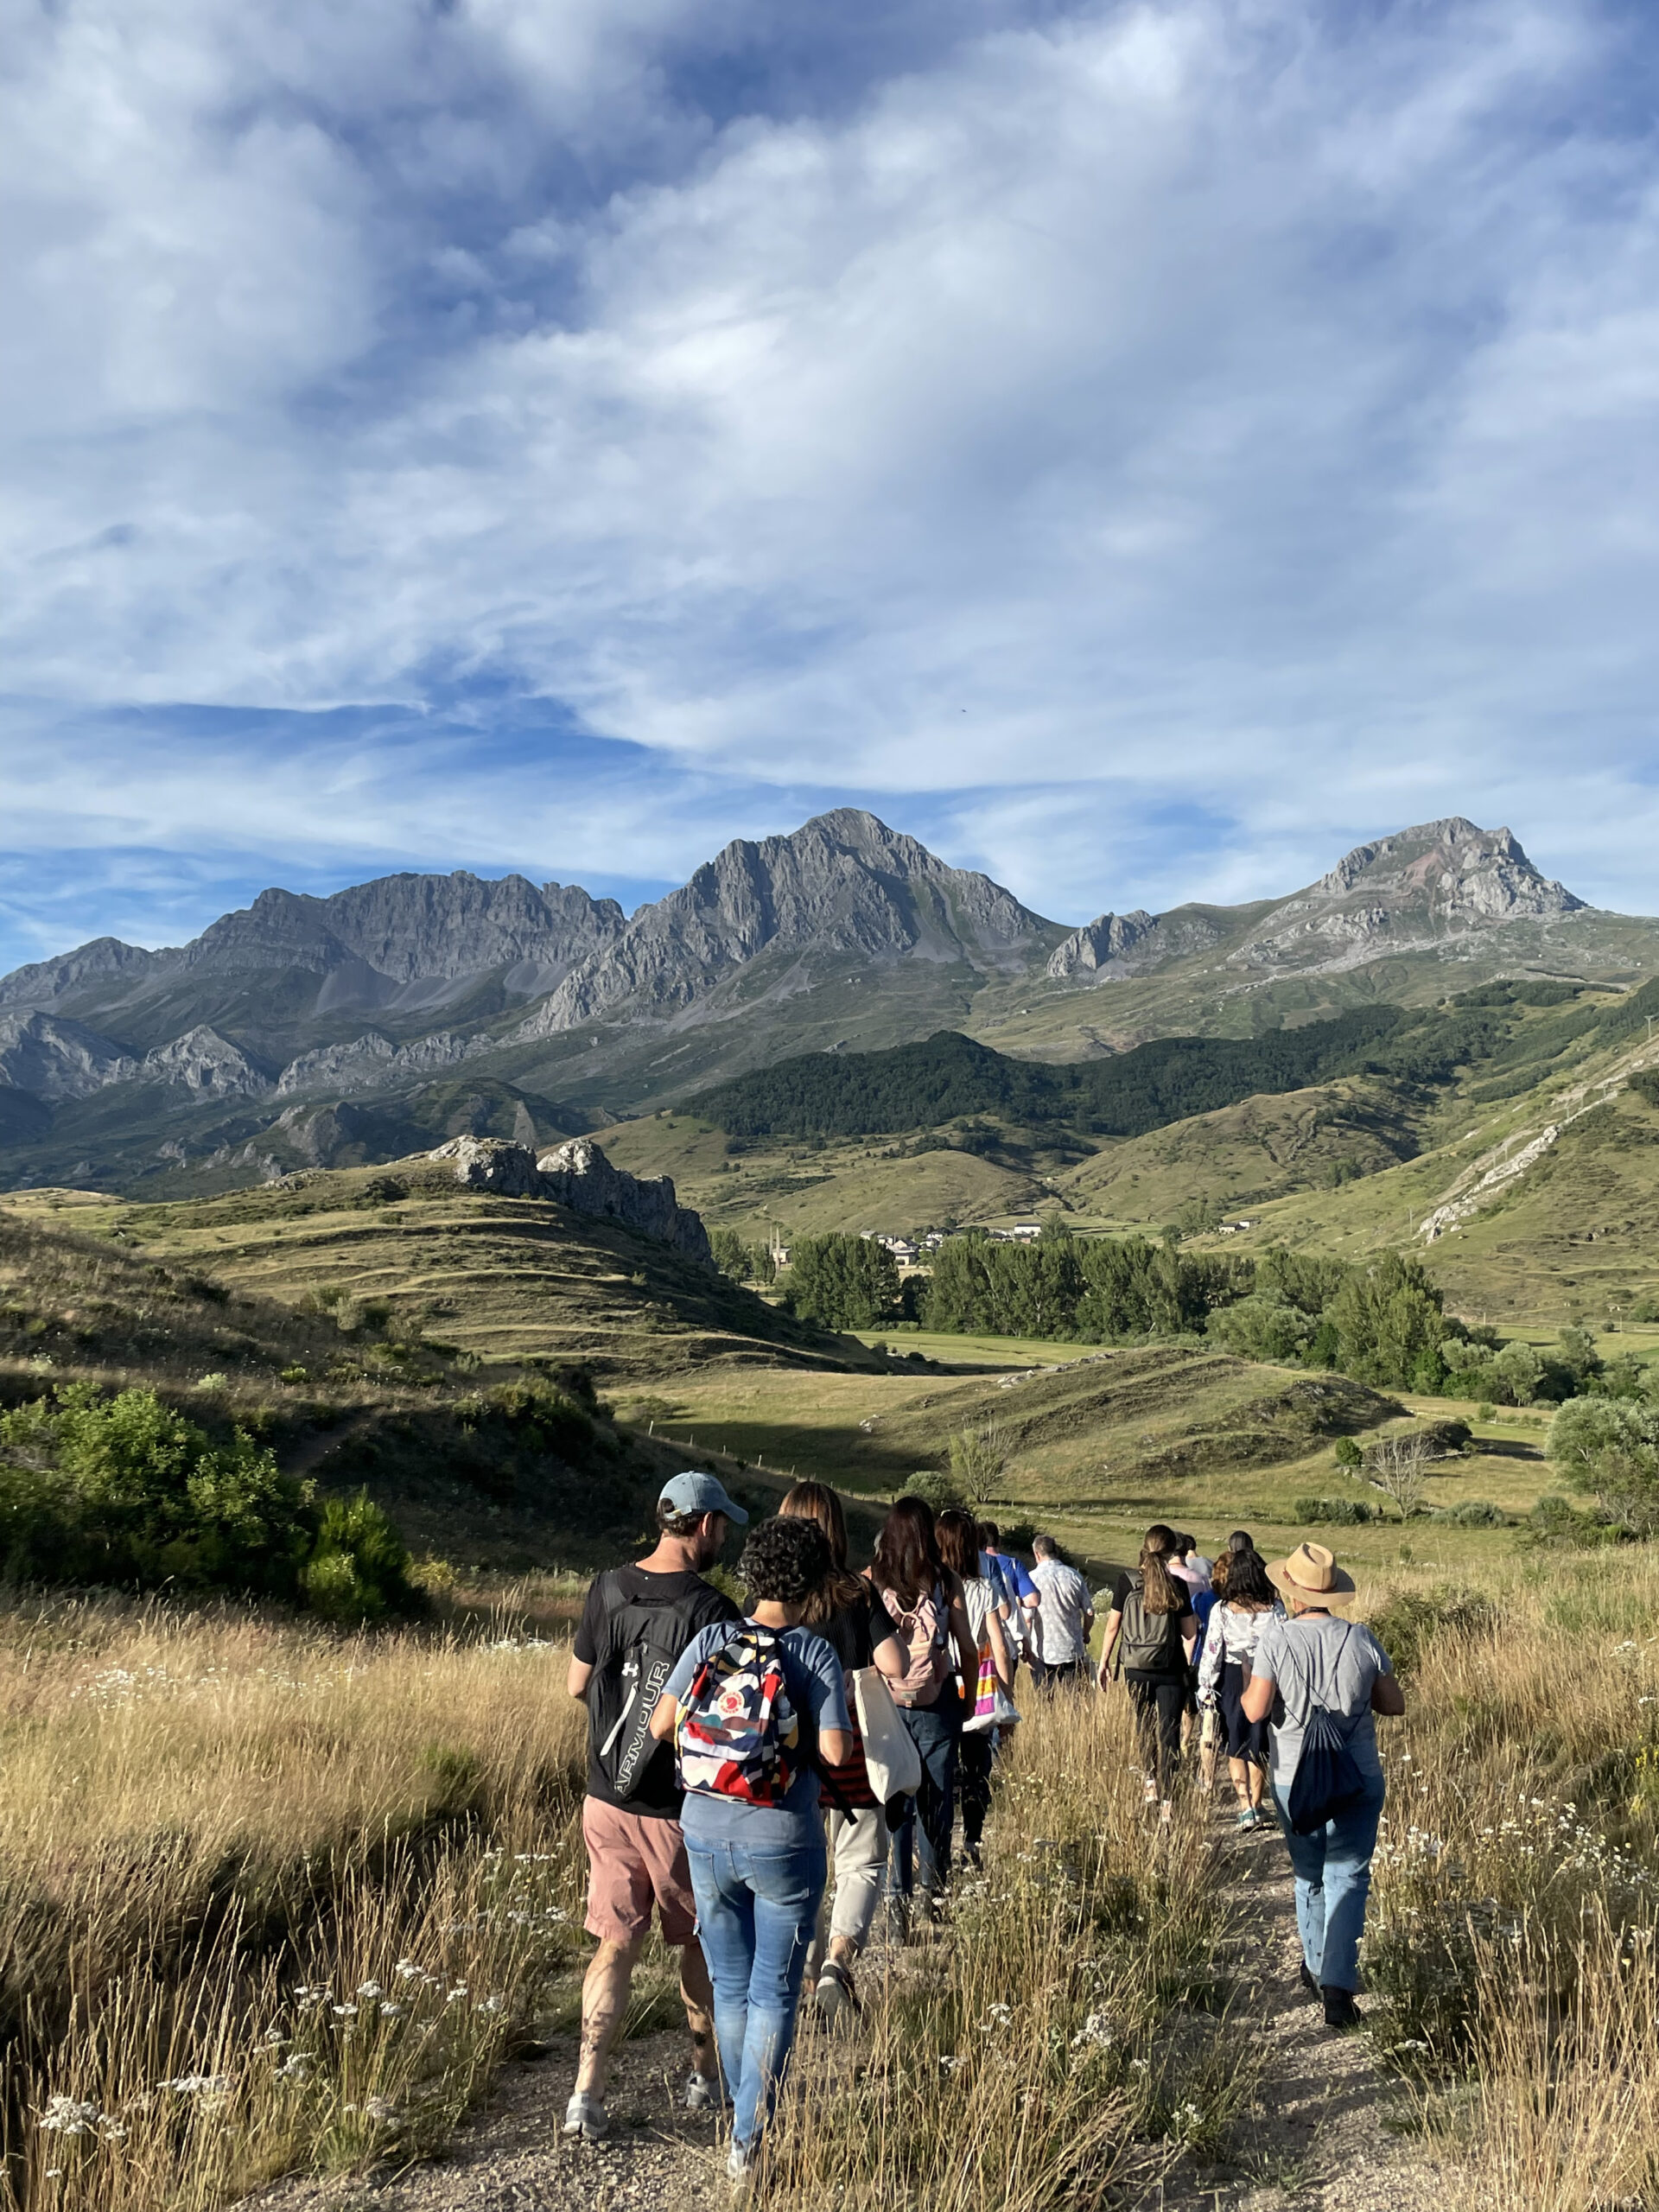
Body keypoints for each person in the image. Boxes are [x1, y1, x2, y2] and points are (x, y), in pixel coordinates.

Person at [650, 1514, 852, 2181]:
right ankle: (748, 2139)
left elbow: (661, 1723)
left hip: (705, 1833)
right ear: (813, 1584)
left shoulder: (713, 1638)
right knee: (774, 1992)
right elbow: (835, 1752)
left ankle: (743, 2122)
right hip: (783, 1840)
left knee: (731, 1988)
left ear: (754, 1573)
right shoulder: (814, 1653)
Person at [564, 1471, 747, 2142]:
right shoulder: (714, 1611)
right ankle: (704, 2076)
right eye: (722, 1526)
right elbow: (730, 1717)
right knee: (695, 1940)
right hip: (676, 1809)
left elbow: (577, 1684)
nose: (724, 1537)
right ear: (705, 1525)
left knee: (614, 1944)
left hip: (604, 1799)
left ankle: (586, 2093)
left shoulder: (606, 1588)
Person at [1242, 1541, 1406, 2031]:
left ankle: (1316, 1968)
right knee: (1349, 1877)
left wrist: (1255, 1680)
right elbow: (1393, 1704)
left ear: (1293, 1595)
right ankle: (1338, 1985)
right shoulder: (1361, 1638)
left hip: (1296, 1778)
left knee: (1309, 1875)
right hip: (1357, 1774)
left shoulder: (1276, 1641)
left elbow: (1254, 1710)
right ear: (1331, 1595)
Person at [779, 1481, 907, 2025]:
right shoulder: (857, 1592)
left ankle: (804, 1974)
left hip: (791, 1748)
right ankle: (838, 1962)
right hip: (852, 1746)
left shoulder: (777, 1597)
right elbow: (896, 1664)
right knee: (861, 1861)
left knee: (804, 1858)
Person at [871, 1497, 979, 1929]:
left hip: (888, 1707)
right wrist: (968, 1700)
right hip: (938, 1703)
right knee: (936, 1802)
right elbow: (967, 1647)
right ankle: (934, 1897)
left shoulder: (873, 1579)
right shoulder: (945, 1580)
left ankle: (897, 1903)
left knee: (897, 1802)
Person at [1097, 1524, 1198, 1821]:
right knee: (1169, 1734)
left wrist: (1104, 1663)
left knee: (1144, 1725)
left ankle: (1150, 1787)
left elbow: (1112, 1627)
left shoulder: (1126, 1581)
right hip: (1171, 1669)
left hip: (1136, 1668)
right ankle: (1168, 1804)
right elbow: (1189, 1632)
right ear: (1170, 1552)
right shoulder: (1176, 1585)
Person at [937, 1507, 1014, 1869]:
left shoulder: (933, 1588)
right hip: (978, 1688)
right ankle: (972, 1841)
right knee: (976, 1768)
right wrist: (1007, 1701)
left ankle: (938, 1846)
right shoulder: (985, 1589)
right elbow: (1000, 1647)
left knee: (941, 1769)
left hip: (940, 1685)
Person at [1198, 1541, 1281, 1827]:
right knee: (1259, 1740)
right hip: (1265, 1675)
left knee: (1235, 1741)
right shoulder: (1275, 1608)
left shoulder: (1222, 1610)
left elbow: (1212, 1652)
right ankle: (1258, 1804)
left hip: (1231, 1677)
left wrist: (1206, 1687)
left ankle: (1244, 1806)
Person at [979, 1522, 1041, 1687]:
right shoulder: (1012, 1565)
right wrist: (1025, 1640)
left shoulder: (964, 1568)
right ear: (999, 1541)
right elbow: (1032, 1600)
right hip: (1005, 1642)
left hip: (973, 1647)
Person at [1029, 1535, 1094, 1688]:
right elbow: (1089, 1612)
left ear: (1037, 1554)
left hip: (1043, 1651)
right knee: (1074, 1697)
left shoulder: (1031, 1579)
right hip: (1072, 1649)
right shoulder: (1074, 1576)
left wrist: (1025, 1647)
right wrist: (1085, 1633)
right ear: (1056, 1551)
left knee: (1044, 1697)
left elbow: (1027, 1618)